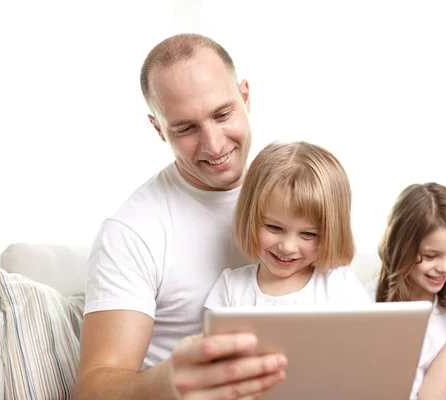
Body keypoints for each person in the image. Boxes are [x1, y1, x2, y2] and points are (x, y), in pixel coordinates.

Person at [75, 33, 287, 400]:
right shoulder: (132, 231)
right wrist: (167, 382)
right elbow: (93, 388)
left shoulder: (295, 194)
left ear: (246, 97)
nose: (214, 145)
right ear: (158, 128)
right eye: (185, 128)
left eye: (222, 114)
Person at [204, 141, 369, 309]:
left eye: (309, 234)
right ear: (249, 219)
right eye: (274, 228)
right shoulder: (231, 288)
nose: (288, 247)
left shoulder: (340, 285)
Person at [367, 182, 446, 400]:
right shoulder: (365, 304)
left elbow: (433, 395)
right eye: (431, 256)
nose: (445, 267)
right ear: (400, 248)